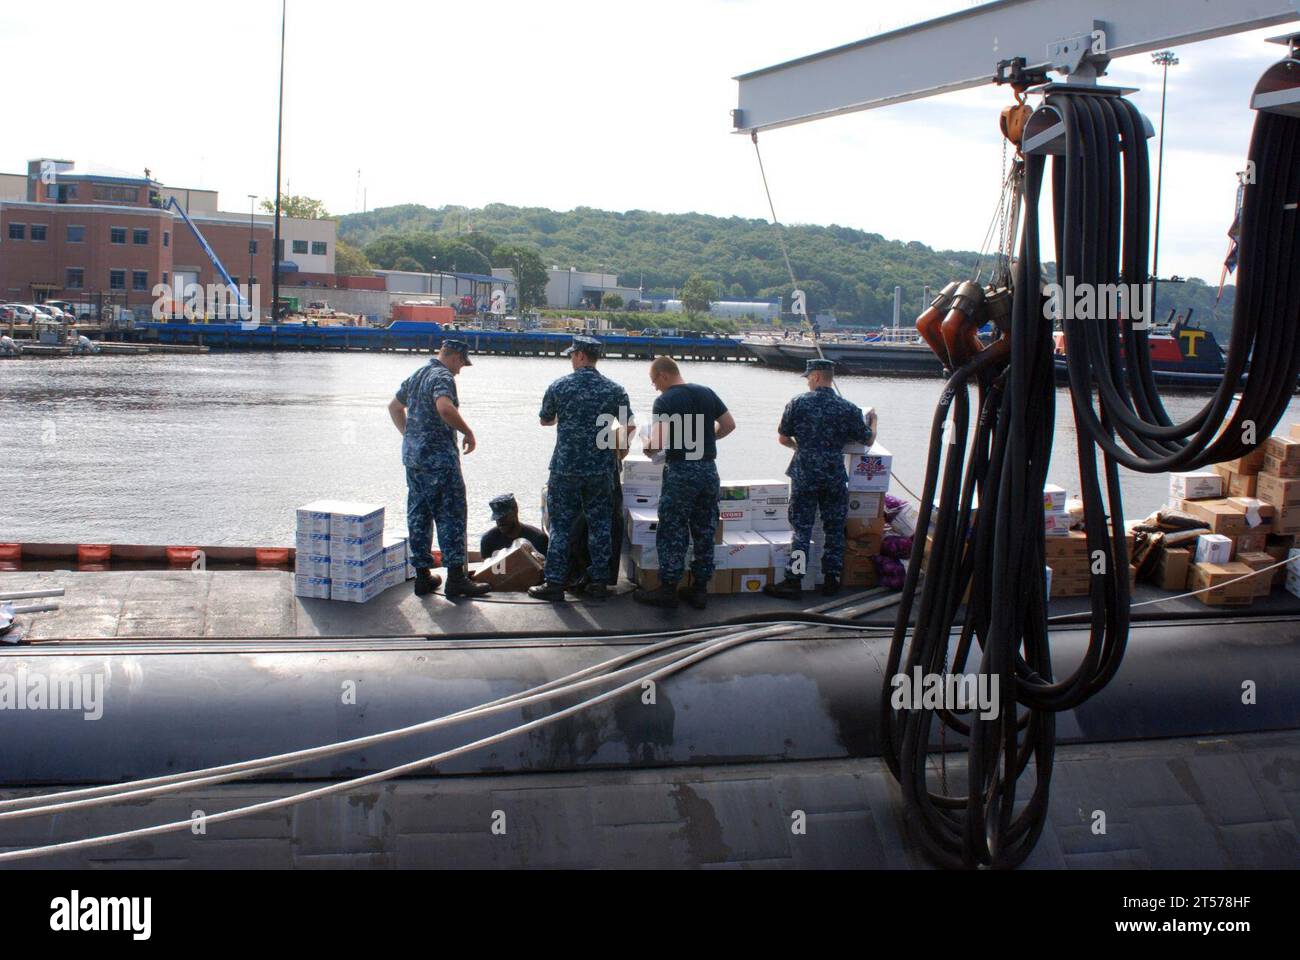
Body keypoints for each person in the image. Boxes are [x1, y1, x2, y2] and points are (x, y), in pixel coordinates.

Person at [528, 336, 633, 602]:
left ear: (581, 356)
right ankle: (598, 583)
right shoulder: (615, 390)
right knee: (600, 525)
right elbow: (627, 427)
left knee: (561, 525)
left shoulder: (560, 386)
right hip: (600, 469)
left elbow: (545, 420)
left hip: (566, 468)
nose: (571, 359)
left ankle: (554, 584)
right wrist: (615, 449)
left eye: (573, 355)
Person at [387, 340, 490, 599]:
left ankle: (422, 577)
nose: (459, 371)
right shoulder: (442, 376)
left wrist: (410, 436)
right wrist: (468, 432)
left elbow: (395, 407)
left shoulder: (418, 375)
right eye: (461, 364)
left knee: (419, 516)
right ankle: (456, 579)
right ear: (455, 357)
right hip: (439, 463)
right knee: (451, 515)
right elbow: (444, 407)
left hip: (414, 460)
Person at [633, 356, 735, 610]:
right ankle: (700, 589)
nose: (655, 387)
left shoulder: (665, 400)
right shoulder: (707, 393)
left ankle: (668, 589)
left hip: (681, 471)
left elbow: (656, 443)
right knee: (704, 528)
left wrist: (647, 447)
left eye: (654, 381)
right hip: (708, 470)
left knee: (673, 528)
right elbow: (729, 425)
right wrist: (707, 437)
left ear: (664, 375)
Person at [764, 358, 870, 600]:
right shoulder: (848, 408)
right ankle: (832, 580)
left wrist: (799, 449)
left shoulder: (798, 403)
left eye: (809, 378)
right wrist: (873, 422)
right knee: (834, 528)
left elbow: (782, 438)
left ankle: (794, 580)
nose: (808, 382)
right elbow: (867, 440)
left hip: (805, 472)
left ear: (816, 377)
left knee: (801, 529)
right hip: (833, 472)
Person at [480, 493, 549, 558]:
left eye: (504, 516)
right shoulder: (488, 540)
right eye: (497, 518)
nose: (500, 521)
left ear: (515, 510)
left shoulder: (538, 538)